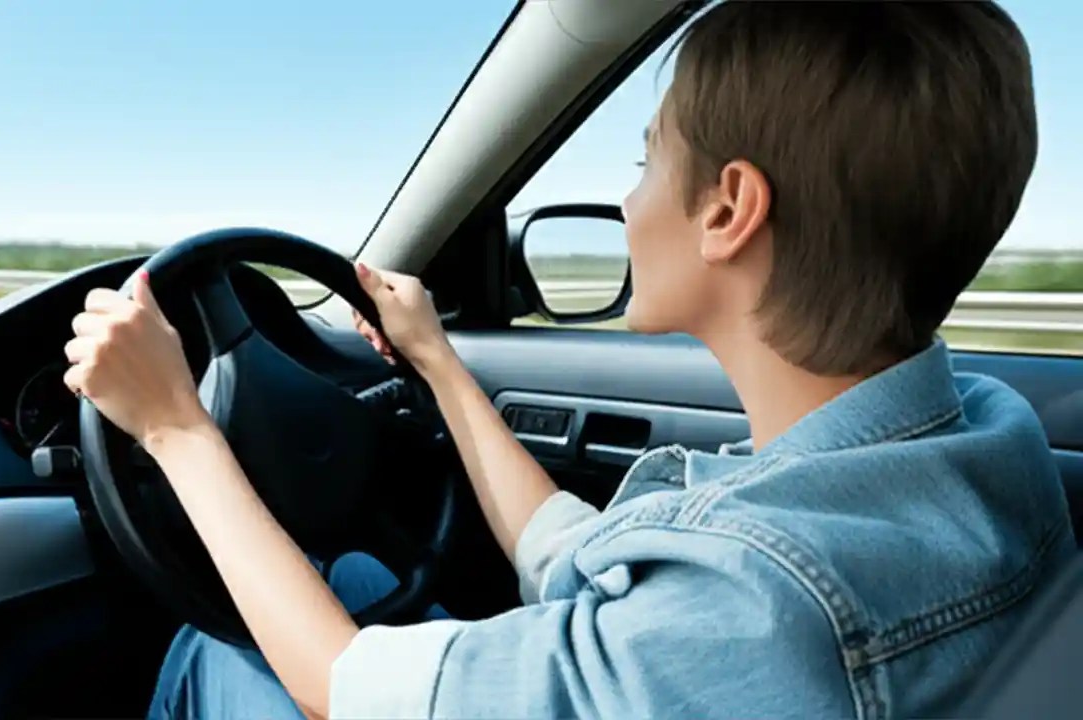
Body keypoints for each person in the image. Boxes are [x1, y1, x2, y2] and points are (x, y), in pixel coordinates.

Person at [63, 2, 1074, 718]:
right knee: (367, 573)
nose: (630, 202)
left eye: (645, 164)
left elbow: (338, 689)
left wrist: (175, 429)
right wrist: (440, 367)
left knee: (218, 650)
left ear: (726, 208)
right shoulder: (982, 435)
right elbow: (572, 555)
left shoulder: (745, 606)